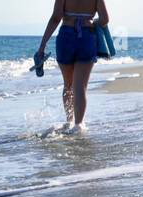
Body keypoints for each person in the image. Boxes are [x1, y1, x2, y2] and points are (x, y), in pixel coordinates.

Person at [36, 0, 111, 130]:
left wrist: (42, 46)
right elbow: (104, 19)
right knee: (80, 87)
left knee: (68, 84)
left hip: (66, 35)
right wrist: (93, 21)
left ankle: (69, 120)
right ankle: (79, 125)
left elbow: (56, 17)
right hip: (87, 36)